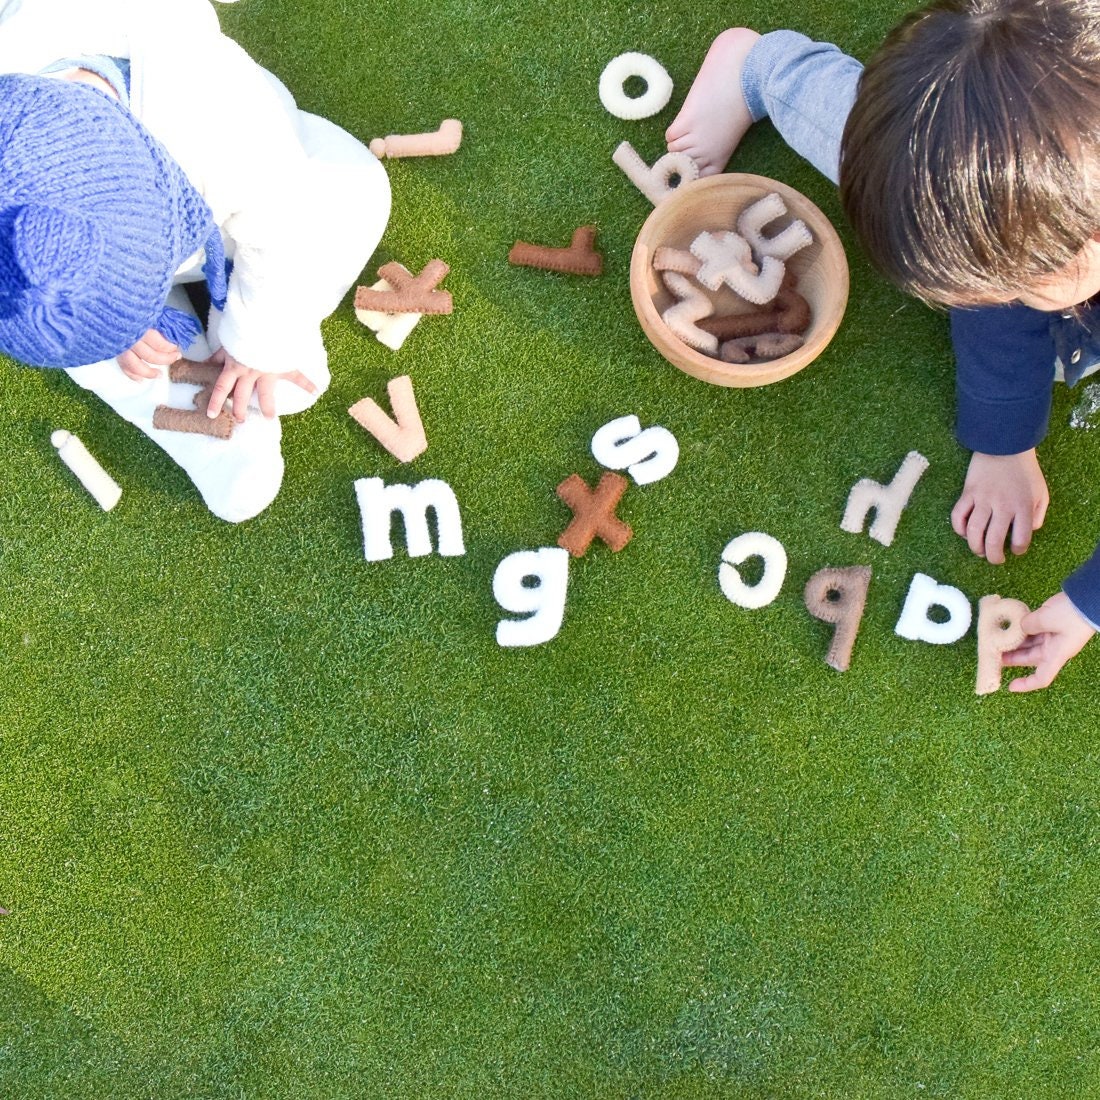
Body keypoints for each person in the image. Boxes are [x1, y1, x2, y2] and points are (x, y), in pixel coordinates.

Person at [667, 0, 1100, 692]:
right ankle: (760, 69)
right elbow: (998, 307)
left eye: (993, 286)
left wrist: (1085, 606)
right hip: (1026, 90)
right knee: (892, 160)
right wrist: (1005, 440)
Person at [0, 0, 391, 522]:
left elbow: (287, 220)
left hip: (243, 208)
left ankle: (240, 352)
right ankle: (202, 428)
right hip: (98, 247)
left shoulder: (222, 118)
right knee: (46, 311)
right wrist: (119, 329)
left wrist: (257, 342)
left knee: (357, 185)